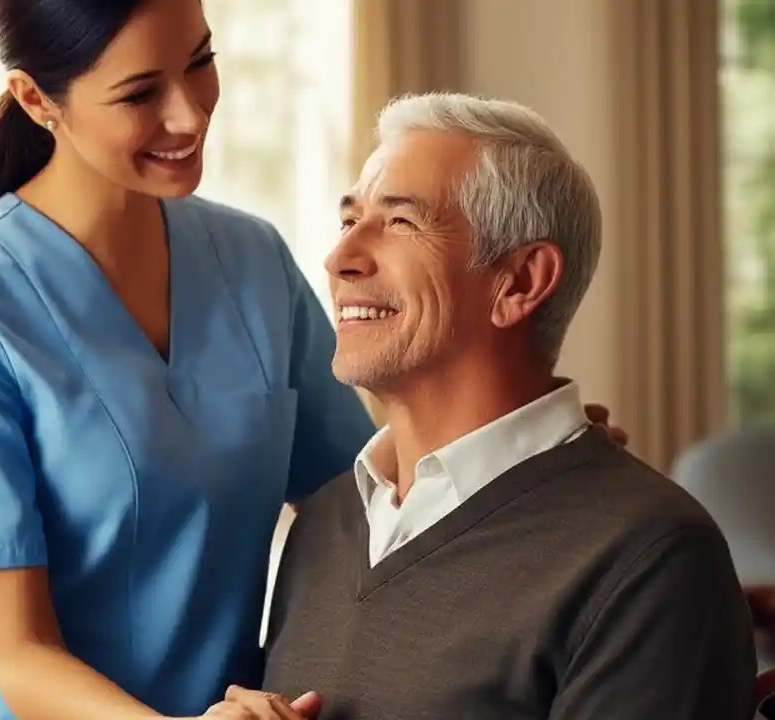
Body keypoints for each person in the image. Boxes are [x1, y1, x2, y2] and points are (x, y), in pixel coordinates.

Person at [0, 2, 620, 717]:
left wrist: (524, 446)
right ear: (36, 99)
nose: (189, 114)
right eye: (140, 93)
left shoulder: (250, 261)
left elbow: (362, 488)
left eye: (200, 61)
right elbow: (19, 655)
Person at [241, 93, 756, 719]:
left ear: (520, 283)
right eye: (349, 221)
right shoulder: (323, 526)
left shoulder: (652, 558)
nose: (340, 259)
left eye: (401, 222)